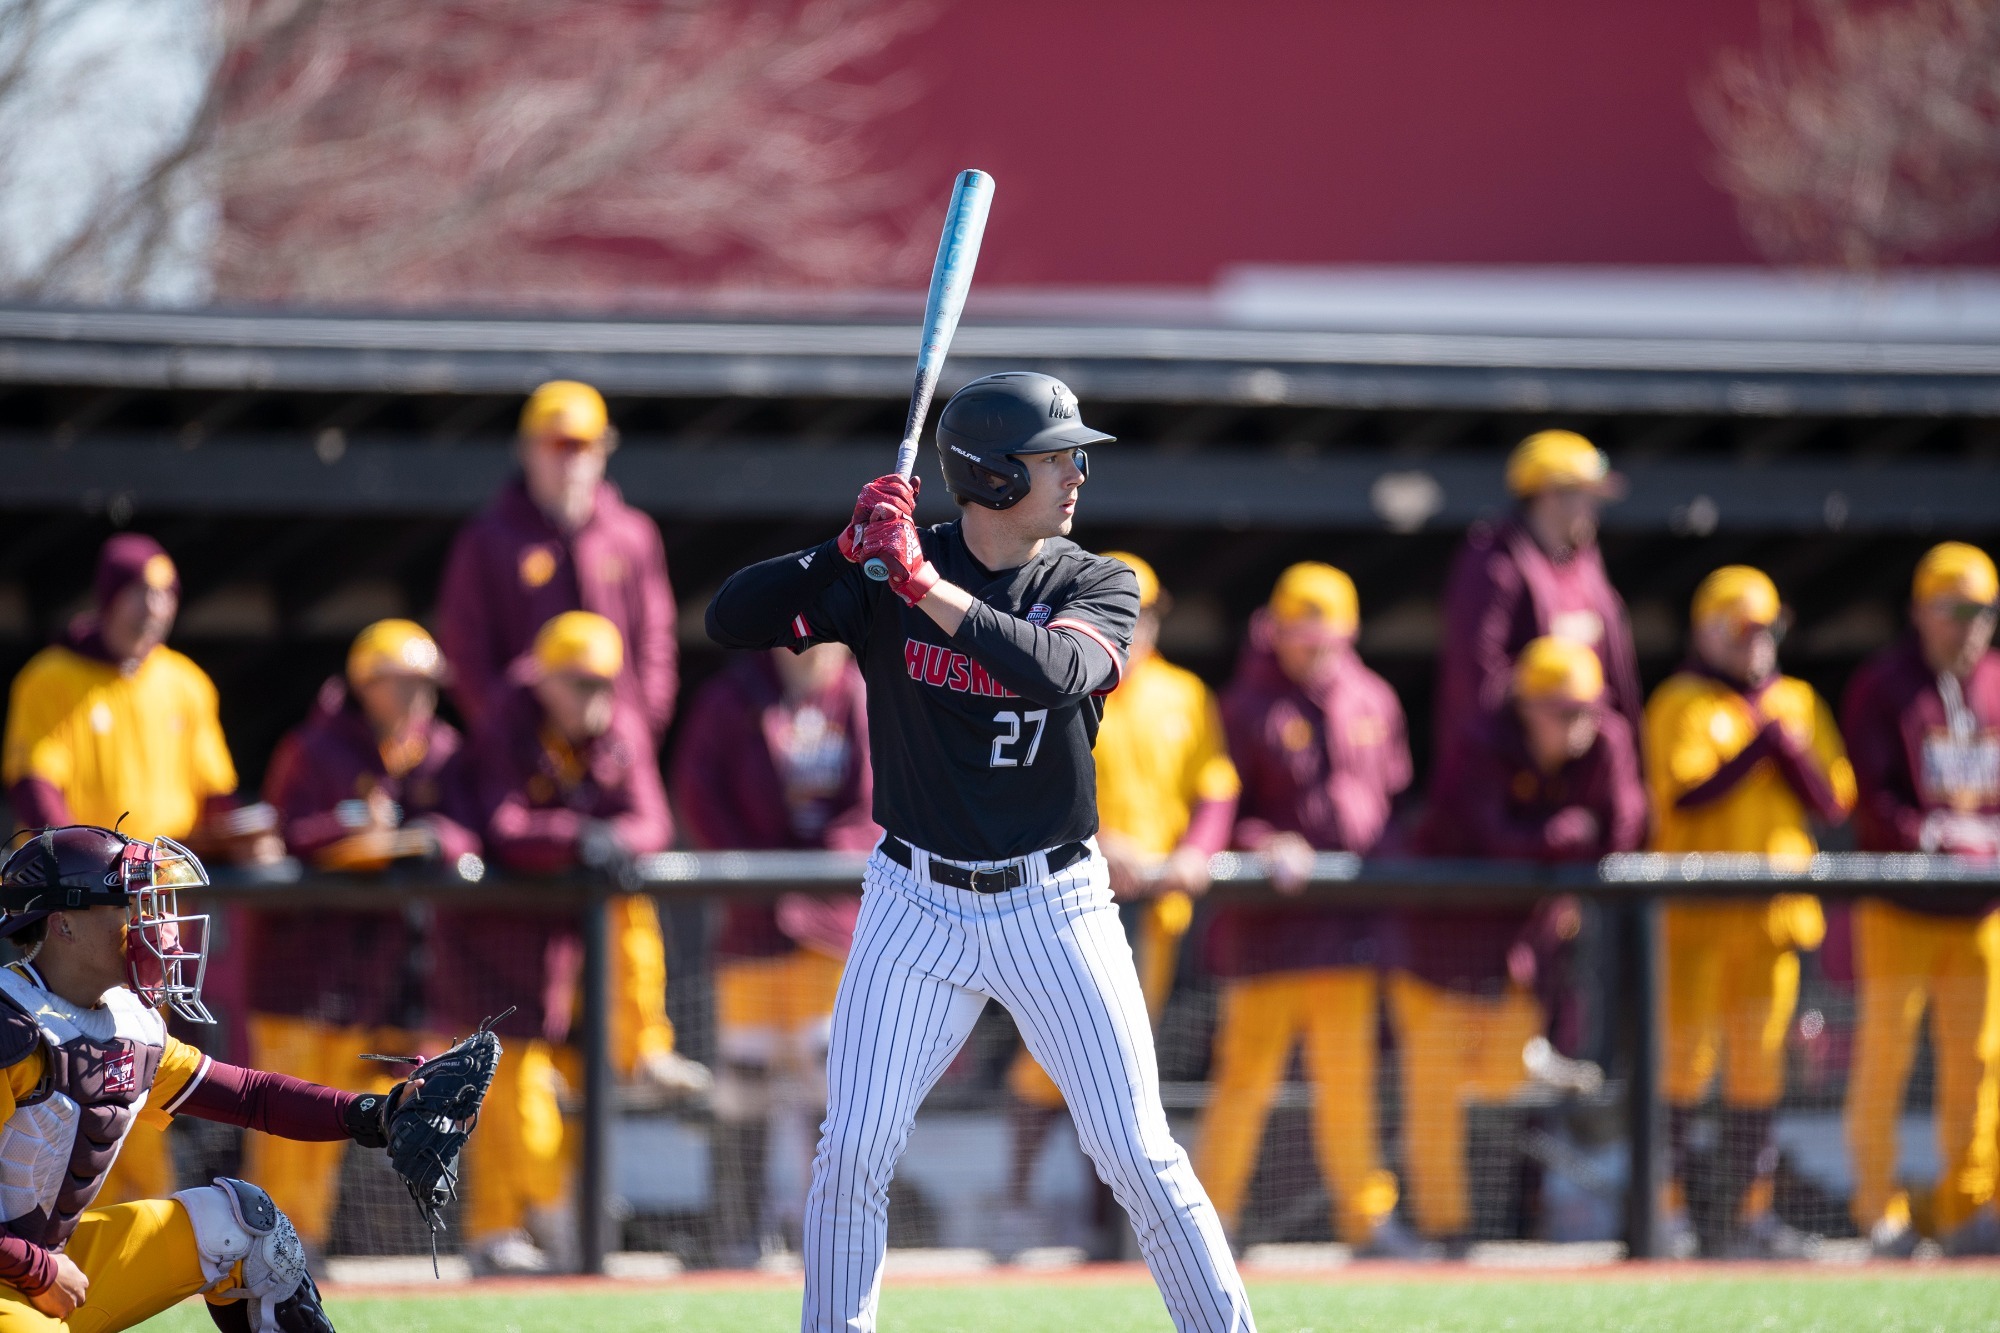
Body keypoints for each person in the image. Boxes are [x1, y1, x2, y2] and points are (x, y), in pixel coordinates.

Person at [707, 371, 1253, 1331]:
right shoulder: (887, 572)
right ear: (994, 476)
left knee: (1136, 1150)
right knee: (854, 1150)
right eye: (1055, 459)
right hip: (915, 898)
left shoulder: (1095, 578)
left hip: (1056, 901)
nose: (1078, 474)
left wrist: (923, 585)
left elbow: (1063, 669)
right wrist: (839, 552)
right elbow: (732, 618)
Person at [0, 824, 452, 1332]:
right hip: (22, 1272)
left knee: (244, 1227)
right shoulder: (10, 1026)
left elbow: (251, 1097)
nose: (153, 921)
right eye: (130, 902)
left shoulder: (125, 1021)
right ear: (62, 925)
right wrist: (36, 1269)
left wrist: (376, 1113)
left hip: (49, 1265)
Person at [435, 380, 692, 1112]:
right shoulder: (490, 540)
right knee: (525, 987)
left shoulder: (631, 535)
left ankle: (645, 1050)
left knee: (625, 907)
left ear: (604, 450)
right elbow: (468, 651)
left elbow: (656, 645)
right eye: (557, 445)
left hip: (607, 772)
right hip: (522, 781)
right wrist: (519, 739)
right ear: (529, 451)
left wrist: (627, 734)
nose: (570, 461)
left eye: (583, 446)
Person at [2, 535, 281, 1208]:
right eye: (138, 593)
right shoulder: (50, 677)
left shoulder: (185, 680)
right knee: (69, 1049)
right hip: (86, 901)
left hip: (162, 902)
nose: (152, 609)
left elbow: (216, 794)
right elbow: (37, 790)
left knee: (143, 1055)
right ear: (106, 597)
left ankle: (133, 1205)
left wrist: (246, 835)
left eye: (165, 595)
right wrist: (79, 880)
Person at [439, 611, 689, 1275]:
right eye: (580, 684)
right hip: (499, 934)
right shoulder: (506, 720)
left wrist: (607, 842)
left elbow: (651, 820)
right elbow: (505, 827)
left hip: (576, 945)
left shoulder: (619, 722)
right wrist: (579, 838)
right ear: (545, 678)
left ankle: (646, 1048)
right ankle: (515, 1227)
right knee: (503, 1082)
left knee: (559, 1093)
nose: (596, 699)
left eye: (604, 683)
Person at [1001, 551, 1239, 1235]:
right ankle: (1014, 1206)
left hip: (1156, 911)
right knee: (1048, 1059)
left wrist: (1196, 852)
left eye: (1149, 611)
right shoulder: (1061, 678)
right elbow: (1027, 787)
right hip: (1064, 898)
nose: (1138, 624)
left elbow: (1217, 786)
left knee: (1124, 1069)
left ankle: (1110, 1228)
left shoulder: (1186, 694)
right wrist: (1101, 842)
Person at [1193, 562, 1414, 1257]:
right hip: (1269, 931)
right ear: (1277, 629)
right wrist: (1265, 841)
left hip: (1349, 929)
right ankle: (1208, 1222)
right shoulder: (1248, 703)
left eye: (1323, 634)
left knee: (1350, 1086)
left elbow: (1396, 798)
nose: (1311, 647)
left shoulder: (1374, 698)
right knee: (1243, 1082)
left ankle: (1367, 1221)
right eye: (1299, 633)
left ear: (1347, 630)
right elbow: (1226, 809)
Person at [243, 619, 480, 1261]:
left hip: (387, 979)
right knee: (291, 1119)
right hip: (301, 971)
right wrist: (358, 834)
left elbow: (469, 828)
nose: (417, 699)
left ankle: (468, 1239)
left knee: (415, 1104)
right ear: (365, 685)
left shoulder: (439, 749)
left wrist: (427, 838)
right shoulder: (316, 748)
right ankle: (277, 1251)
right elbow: (282, 835)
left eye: (425, 685)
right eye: (401, 684)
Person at [1397, 636, 1643, 1246]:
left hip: (1515, 946)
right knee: (1433, 1098)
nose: (1582, 723)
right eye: (1565, 712)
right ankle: (1442, 1233)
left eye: (1589, 709)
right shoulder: (1481, 741)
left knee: (1504, 1069)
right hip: (1437, 943)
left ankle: (1524, 1058)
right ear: (1528, 706)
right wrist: (1567, 833)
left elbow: (1624, 829)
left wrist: (1596, 771)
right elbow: (1496, 839)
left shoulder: (1602, 741)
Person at [1645, 565, 1855, 1257]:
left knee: (1758, 1071)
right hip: (1697, 919)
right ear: (1707, 630)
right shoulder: (1681, 700)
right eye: (1742, 630)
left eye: (1768, 629)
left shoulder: (1795, 700)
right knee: (1681, 1069)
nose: (1756, 644)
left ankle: (1746, 1216)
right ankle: (1667, 1212)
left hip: (1772, 922)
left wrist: (1783, 746)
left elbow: (1833, 801)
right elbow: (1684, 794)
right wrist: (1760, 745)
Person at [671, 642, 875, 1267]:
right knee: (745, 1079)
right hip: (751, 922)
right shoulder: (733, 695)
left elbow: (878, 795)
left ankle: (832, 1230)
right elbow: (698, 792)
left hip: (831, 921)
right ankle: (737, 1232)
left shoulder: (860, 691)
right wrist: (759, 870)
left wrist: (818, 865)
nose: (809, 641)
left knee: (829, 1076)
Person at [1841, 542, 2000, 1257]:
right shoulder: (1884, 685)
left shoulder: (1996, 683)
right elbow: (1870, 800)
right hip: (1901, 906)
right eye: (1954, 610)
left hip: (1979, 911)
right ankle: (1878, 1209)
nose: (1968, 626)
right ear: (1919, 610)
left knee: (1980, 1061)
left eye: (1982, 612)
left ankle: (1965, 1207)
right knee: (1887, 1057)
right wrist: (1934, 834)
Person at [1434, 430, 1642, 778]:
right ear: (1550, 496)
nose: (1595, 513)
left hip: (1585, 773)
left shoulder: (1585, 564)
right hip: (1518, 778)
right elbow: (1476, 683)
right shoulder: (1493, 566)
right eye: (1586, 498)